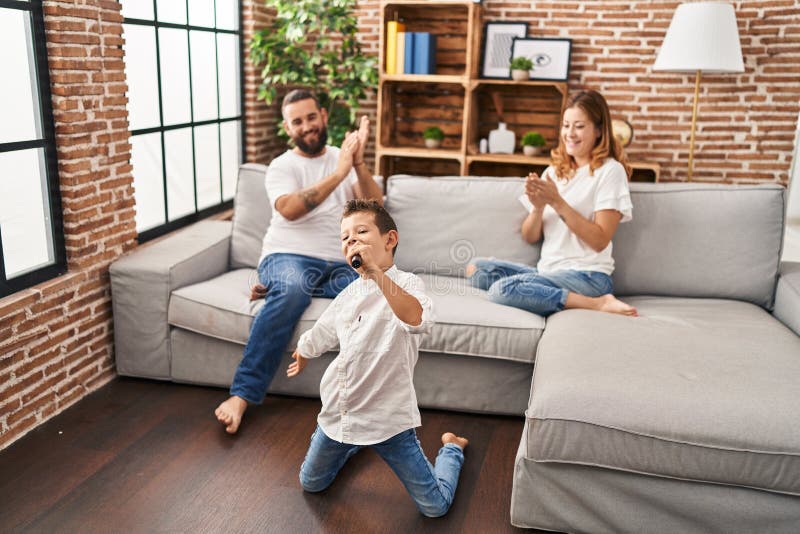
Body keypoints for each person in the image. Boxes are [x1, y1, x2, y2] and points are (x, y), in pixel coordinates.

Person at [215, 89, 384, 434]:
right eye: (297, 121)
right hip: (288, 255)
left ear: (323, 116)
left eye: (311, 117)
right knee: (293, 288)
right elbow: (290, 210)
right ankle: (242, 395)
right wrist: (339, 173)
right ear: (287, 128)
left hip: (339, 264)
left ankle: (364, 401)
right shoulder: (282, 166)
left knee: (377, 289)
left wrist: (360, 163)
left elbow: (376, 209)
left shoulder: (344, 157)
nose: (306, 126)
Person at [286, 199, 469, 518]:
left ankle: (452, 448)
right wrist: (303, 351)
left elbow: (417, 319)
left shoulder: (408, 284)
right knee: (310, 483)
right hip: (340, 417)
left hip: (389, 423)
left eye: (360, 232)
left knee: (435, 507)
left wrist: (374, 272)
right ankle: (354, 444)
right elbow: (323, 331)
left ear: (390, 239)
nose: (351, 240)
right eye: (344, 237)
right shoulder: (347, 296)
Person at [467, 90, 638, 317]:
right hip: (548, 271)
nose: (570, 133)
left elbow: (599, 240)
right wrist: (538, 207)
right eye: (566, 125)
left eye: (579, 126)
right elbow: (530, 236)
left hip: (588, 276)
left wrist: (557, 202)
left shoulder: (610, 171)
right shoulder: (555, 172)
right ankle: (539, 287)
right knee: (477, 269)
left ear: (598, 130)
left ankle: (598, 303)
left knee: (503, 289)